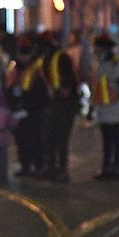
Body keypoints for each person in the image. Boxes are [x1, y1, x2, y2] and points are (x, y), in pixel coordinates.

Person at [5, 35, 49, 178]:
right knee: (21, 140)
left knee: (37, 140)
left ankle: (38, 166)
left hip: (35, 111)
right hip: (19, 110)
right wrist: (14, 108)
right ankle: (25, 166)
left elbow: (41, 91)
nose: (23, 57)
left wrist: (28, 108)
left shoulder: (38, 67)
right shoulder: (14, 67)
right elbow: (8, 89)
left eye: (26, 53)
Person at [40, 32, 80, 183]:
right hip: (57, 103)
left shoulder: (59, 58)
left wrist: (61, 92)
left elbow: (68, 83)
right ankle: (53, 168)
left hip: (65, 103)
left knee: (60, 137)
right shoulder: (51, 58)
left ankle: (61, 169)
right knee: (53, 137)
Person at [90, 34, 119, 181]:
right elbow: (97, 85)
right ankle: (107, 169)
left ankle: (116, 169)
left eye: (97, 48)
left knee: (116, 140)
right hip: (104, 107)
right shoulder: (101, 61)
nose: (95, 50)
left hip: (115, 106)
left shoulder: (115, 60)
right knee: (107, 140)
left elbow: (112, 78)